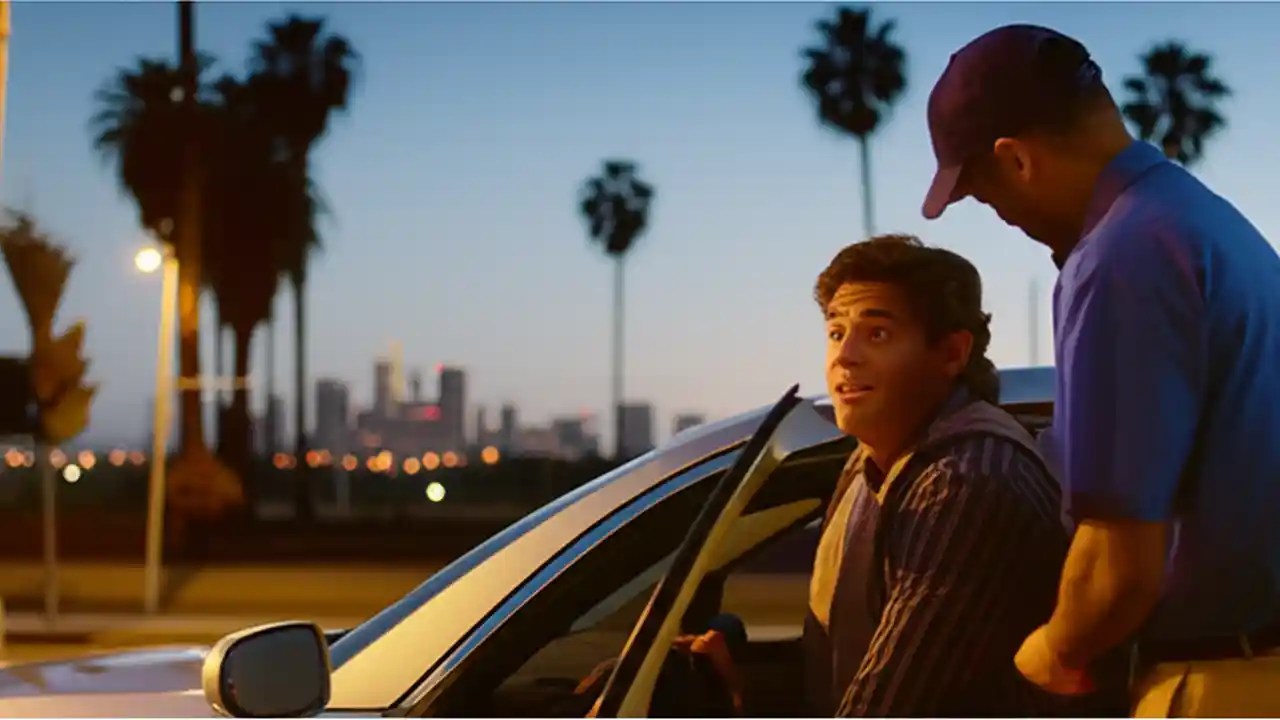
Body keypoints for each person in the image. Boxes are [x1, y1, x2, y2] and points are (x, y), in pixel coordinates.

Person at [921, 23, 1280, 717]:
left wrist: (1053, 650)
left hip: (1221, 685)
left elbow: (1120, 568)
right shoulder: (1208, 224)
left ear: (1016, 160)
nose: (1003, 218)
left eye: (988, 198)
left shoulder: (1119, 256)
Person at [689, 234, 1115, 716]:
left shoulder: (964, 482)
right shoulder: (869, 465)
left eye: (877, 334)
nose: (844, 357)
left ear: (952, 353)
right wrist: (743, 678)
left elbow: (891, 701)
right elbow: (850, 657)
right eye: (835, 332)